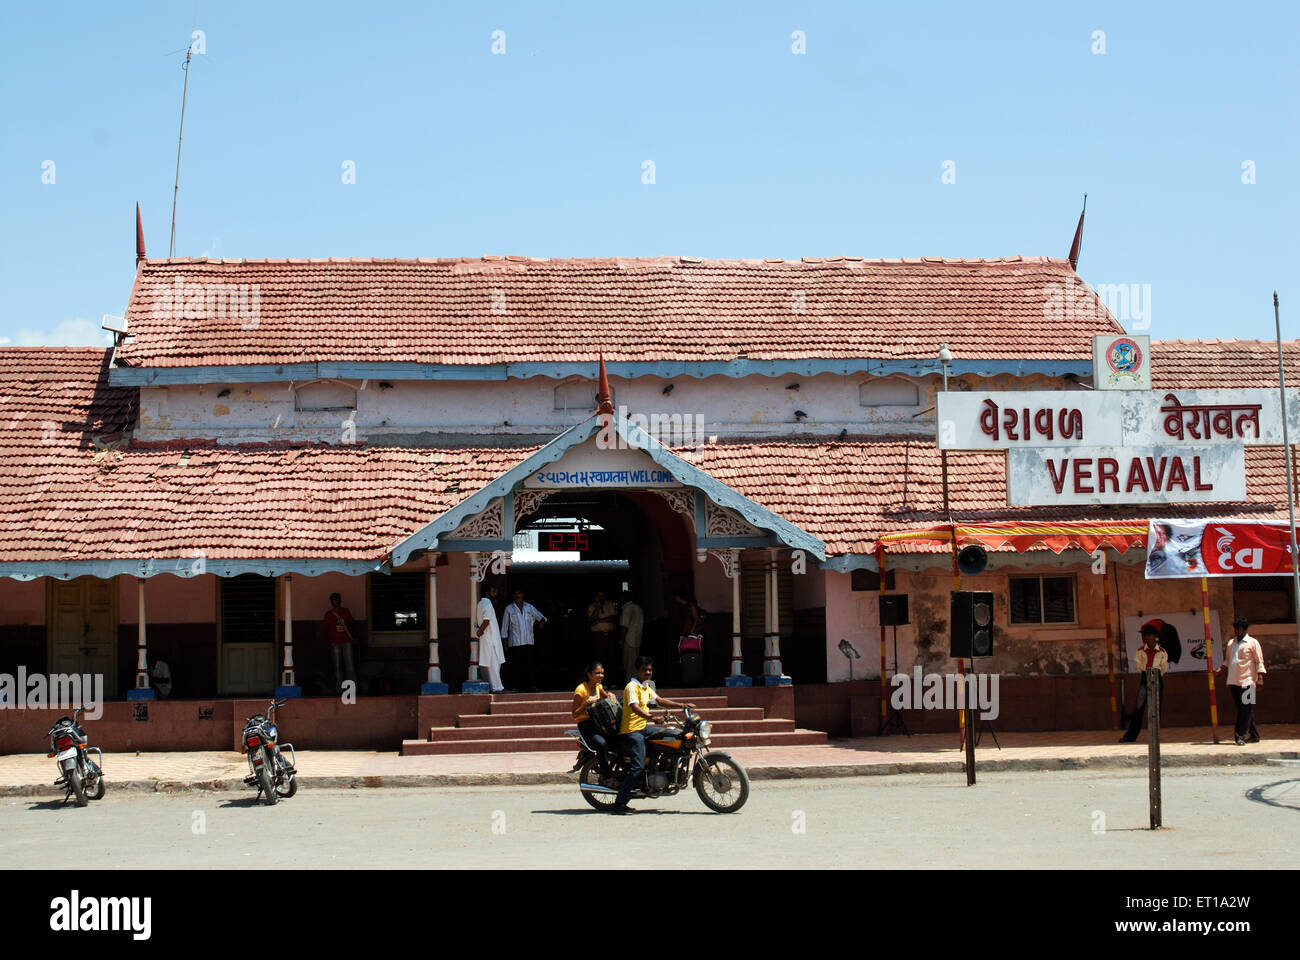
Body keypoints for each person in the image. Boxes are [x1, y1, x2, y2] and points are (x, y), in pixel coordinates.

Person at [611, 656, 695, 814]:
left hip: (643, 727)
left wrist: (682, 705)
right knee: (637, 766)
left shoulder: (645, 687)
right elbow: (635, 707)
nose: (648, 673)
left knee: (672, 733)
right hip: (632, 730)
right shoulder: (632, 687)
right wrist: (652, 718)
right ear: (637, 671)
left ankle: (659, 765)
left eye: (649, 670)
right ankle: (619, 803)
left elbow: (660, 700)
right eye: (644, 670)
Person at [1119, 621, 1168, 743]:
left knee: (1156, 709)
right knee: (1138, 707)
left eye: (1150, 635)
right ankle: (1130, 736)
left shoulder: (1162, 652)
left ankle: (1154, 736)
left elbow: (1163, 669)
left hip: (1157, 679)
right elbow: (1140, 666)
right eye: (1146, 635)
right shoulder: (1141, 651)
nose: (1148, 638)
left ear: (1155, 637)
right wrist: (1148, 673)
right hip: (1145, 679)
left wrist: (1155, 675)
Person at [1223, 615, 1266, 745]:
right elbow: (1227, 661)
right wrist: (1220, 669)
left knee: (1246, 708)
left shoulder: (1253, 642)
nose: (1237, 631)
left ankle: (1239, 735)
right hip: (1234, 682)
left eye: (1240, 629)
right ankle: (1254, 735)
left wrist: (1260, 677)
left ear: (1245, 629)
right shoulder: (1231, 643)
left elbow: (1259, 661)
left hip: (1249, 681)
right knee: (1244, 709)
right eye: (1235, 629)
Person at [571, 660, 618, 772]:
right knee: (601, 744)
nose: (600, 675)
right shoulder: (580, 690)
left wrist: (611, 695)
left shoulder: (599, 687)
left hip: (598, 722)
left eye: (602, 673)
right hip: (585, 725)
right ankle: (606, 775)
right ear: (589, 674)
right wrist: (586, 703)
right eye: (597, 673)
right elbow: (574, 714)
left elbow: (607, 697)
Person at [501, 588, 547, 692]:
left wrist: (541, 623)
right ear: (513, 596)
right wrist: (504, 643)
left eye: (519, 593)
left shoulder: (529, 607)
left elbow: (542, 617)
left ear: (523, 594)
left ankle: (530, 686)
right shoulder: (509, 609)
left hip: (528, 642)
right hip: (514, 643)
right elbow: (505, 627)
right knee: (515, 667)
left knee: (529, 666)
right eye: (515, 593)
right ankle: (515, 687)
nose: (518, 595)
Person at [474, 583, 506, 694]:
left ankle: (494, 686)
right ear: (487, 593)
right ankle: (497, 687)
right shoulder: (487, 603)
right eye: (493, 592)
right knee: (494, 664)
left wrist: (479, 632)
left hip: (485, 638)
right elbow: (486, 620)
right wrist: (480, 631)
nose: (495, 594)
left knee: (489, 664)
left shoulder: (480, 603)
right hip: (490, 638)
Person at [323, 593, 357, 694]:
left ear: (340, 600)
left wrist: (354, 638)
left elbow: (352, 625)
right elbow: (325, 629)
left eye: (337, 599)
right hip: (335, 643)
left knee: (349, 664)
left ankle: (351, 688)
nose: (336, 601)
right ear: (331, 602)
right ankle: (340, 689)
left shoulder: (345, 612)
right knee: (337, 666)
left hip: (346, 641)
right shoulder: (328, 614)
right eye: (334, 600)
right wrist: (329, 643)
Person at [675, 593, 705, 686]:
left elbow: (695, 618)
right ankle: (689, 677)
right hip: (689, 634)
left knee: (693, 653)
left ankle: (694, 677)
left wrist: (692, 629)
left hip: (694, 634)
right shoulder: (685, 607)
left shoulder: (691, 606)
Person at [587, 590, 618, 672]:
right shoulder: (592, 606)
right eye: (599, 596)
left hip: (610, 635)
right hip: (598, 635)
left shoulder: (610, 605)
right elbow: (592, 619)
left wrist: (599, 620)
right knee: (599, 658)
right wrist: (597, 606)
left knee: (611, 658)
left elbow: (614, 618)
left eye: (602, 595)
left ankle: (612, 680)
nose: (601, 597)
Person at [618, 593, 644, 684]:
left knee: (629, 665)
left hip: (629, 640)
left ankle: (630, 684)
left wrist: (621, 640)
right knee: (635, 664)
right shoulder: (638, 608)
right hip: (637, 639)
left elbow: (624, 626)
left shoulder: (626, 609)